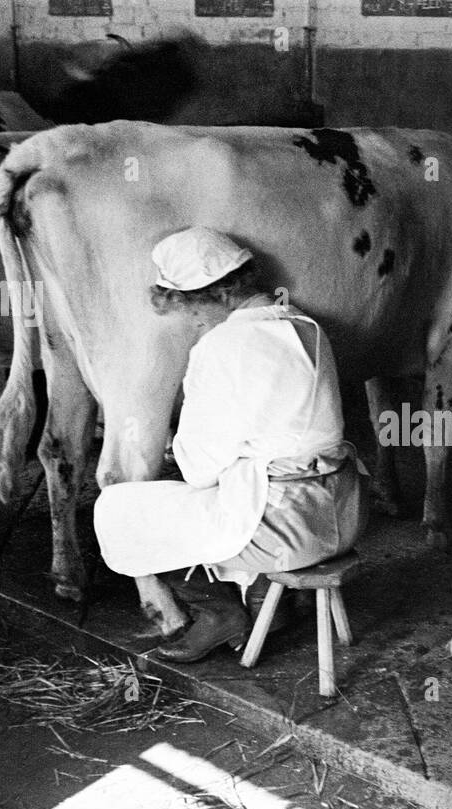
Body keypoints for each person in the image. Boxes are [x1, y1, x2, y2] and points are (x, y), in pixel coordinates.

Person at [93, 226, 367, 663]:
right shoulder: (307, 325)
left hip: (284, 530)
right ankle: (265, 605)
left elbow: (198, 469)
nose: (194, 323)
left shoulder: (220, 346)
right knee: (242, 479)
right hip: (346, 511)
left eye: (193, 311)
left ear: (220, 296)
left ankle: (220, 613)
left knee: (117, 509)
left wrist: (181, 447)